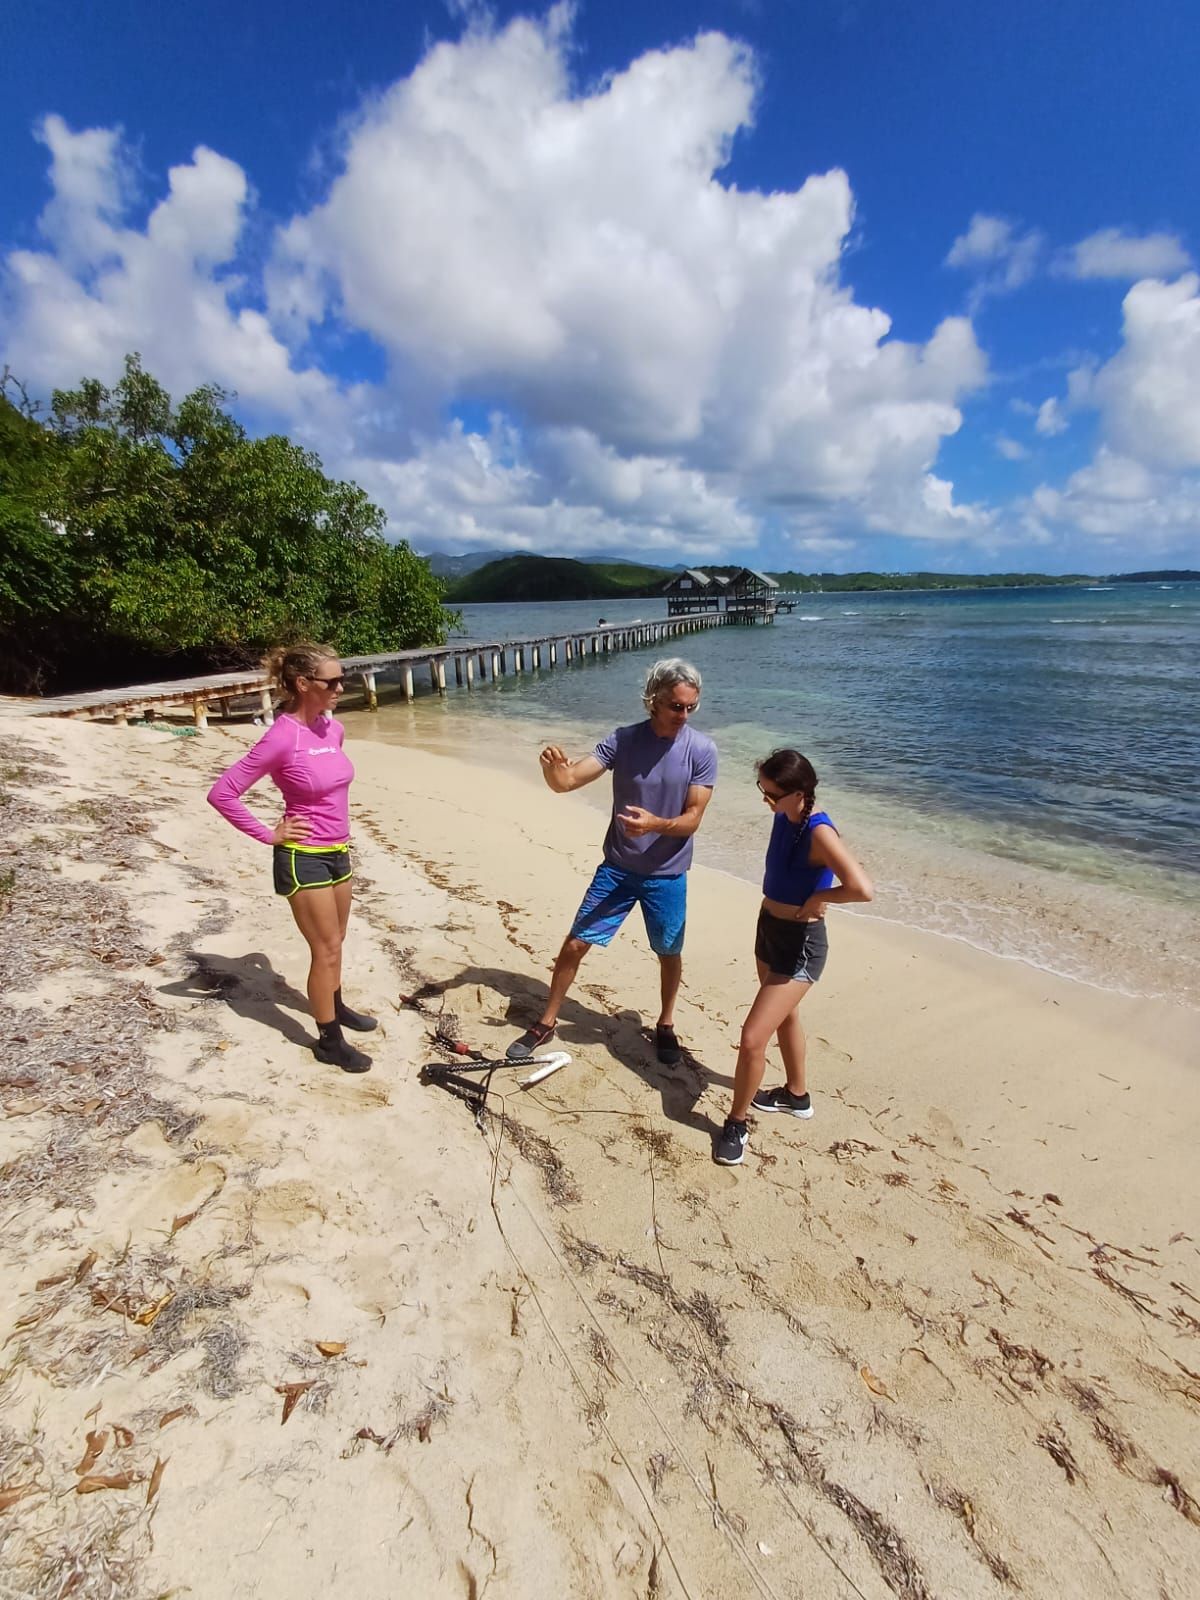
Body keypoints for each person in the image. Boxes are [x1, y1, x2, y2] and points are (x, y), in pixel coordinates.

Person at [506, 658, 717, 1066]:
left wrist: (656, 823)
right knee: (575, 943)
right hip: (618, 870)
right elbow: (567, 782)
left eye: (691, 707)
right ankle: (547, 1020)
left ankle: (666, 1024)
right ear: (654, 699)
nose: (684, 715)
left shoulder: (702, 749)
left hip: (667, 875)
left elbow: (693, 819)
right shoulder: (623, 740)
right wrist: (552, 772)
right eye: (676, 706)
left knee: (668, 952)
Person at [206, 643, 376, 1074]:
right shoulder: (281, 736)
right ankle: (329, 1041)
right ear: (303, 684)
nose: (341, 687)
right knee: (326, 949)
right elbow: (223, 793)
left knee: (336, 945)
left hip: (338, 851)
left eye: (342, 679)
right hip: (303, 858)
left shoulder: (330, 729)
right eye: (332, 681)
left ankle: (336, 1008)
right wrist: (268, 834)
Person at [714, 749, 873, 1166]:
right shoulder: (785, 815)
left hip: (802, 943)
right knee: (785, 1017)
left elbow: (861, 887)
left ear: (799, 792)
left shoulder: (820, 831)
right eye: (762, 790)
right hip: (769, 928)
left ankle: (736, 1122)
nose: (765, 800)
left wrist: (822, 895)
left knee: (752, 1037)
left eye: (771, 793)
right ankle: (797, 1095)